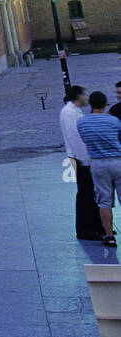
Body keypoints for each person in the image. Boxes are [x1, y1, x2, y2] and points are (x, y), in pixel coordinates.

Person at [77, 90, 121, 247]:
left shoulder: (82, 122)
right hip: (117, 160)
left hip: (98, 163)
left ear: (91, 104)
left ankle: (109, 236)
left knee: (104, 201)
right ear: (104, 105)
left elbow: (84, 139)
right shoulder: (114, 121)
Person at [62, 86, 105, 240]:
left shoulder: (75, 112)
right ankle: (85, 229)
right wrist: (85, 161)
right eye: (84, 94)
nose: (86, 97)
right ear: (78, 96)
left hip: (83, 158)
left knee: (90, 192)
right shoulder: (69, 113)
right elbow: (75, 138)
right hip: (80, 159)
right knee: (85, 194)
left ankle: (95, 225)